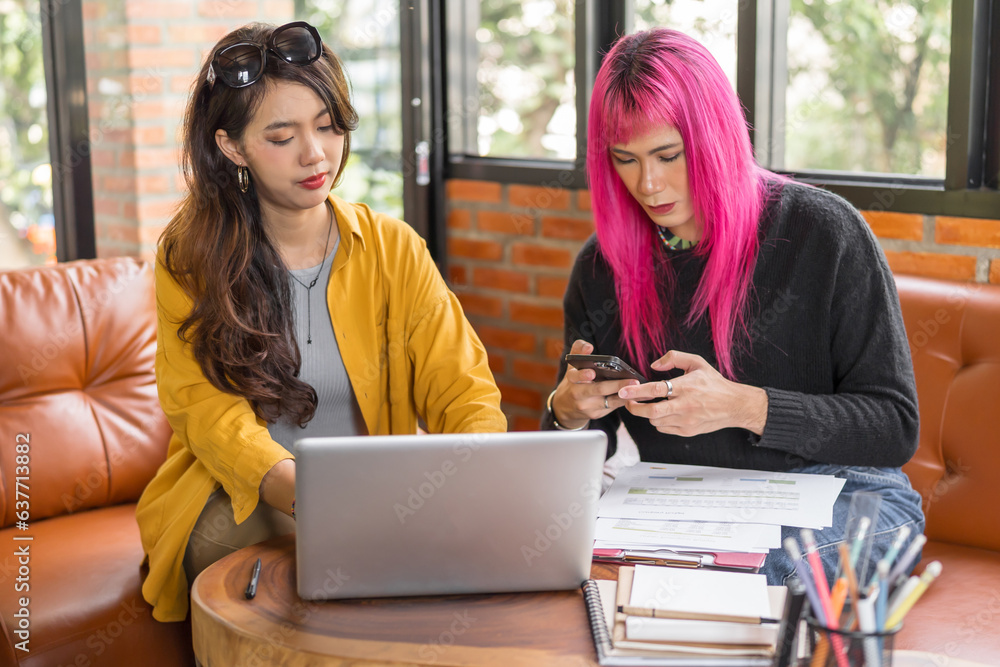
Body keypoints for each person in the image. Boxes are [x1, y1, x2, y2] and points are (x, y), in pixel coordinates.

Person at [136, 21, 505, 622]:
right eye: (282, 137)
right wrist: (315, 499)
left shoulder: (393, 248)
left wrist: (481, 480)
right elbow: (204, 411)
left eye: (329, 126)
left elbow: (463, 389)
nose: (315, 154)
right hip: (247, 496)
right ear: (232, 147)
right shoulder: (190, 257)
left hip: (376, 495)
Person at [543, 27, 924, 585]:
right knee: (555, 553)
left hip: (841, 491)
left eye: (668, 155)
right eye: (626, 159)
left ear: (713, 136)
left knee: (755, 574)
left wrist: (746, 407)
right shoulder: (601, 266)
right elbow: (569, 458)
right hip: (686, 500)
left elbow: (894, 426)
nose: (648, 184)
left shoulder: (824, 232)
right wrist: (567, 411)